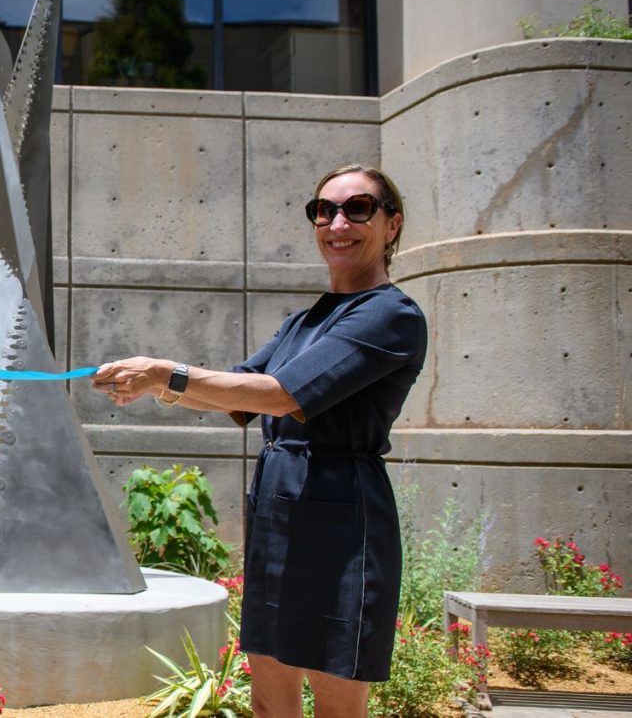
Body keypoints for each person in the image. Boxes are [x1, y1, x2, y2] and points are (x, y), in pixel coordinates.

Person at [92, 164, 426, 717]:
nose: (337, 222)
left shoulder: (391, 315)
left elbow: (281, 394)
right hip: (279, 509)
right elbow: (239, 395)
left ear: (391, 225)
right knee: (270, 687)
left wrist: (164, 374)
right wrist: (152, 384)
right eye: (323, 211)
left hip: (343, 517)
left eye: (357, 209)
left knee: (337, 694)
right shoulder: (306, 321)